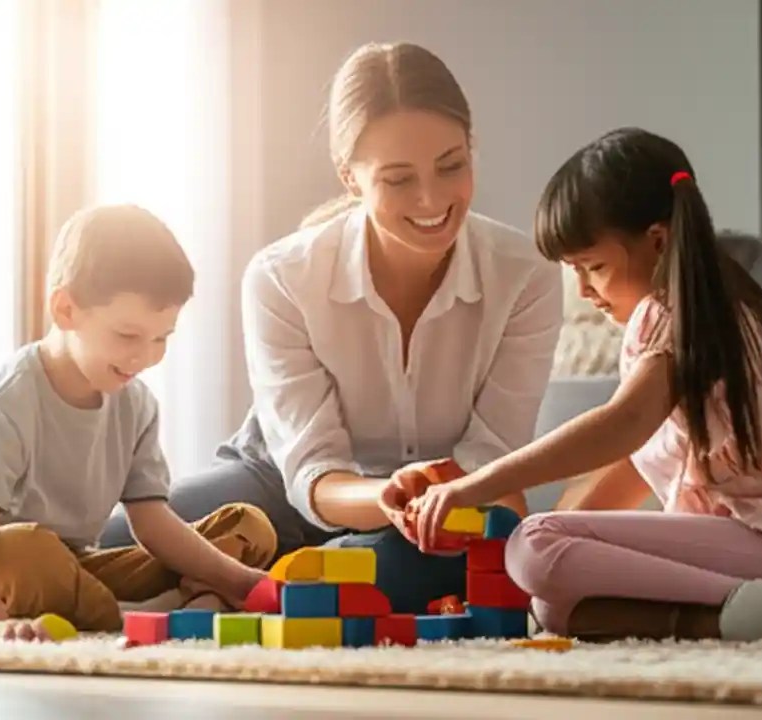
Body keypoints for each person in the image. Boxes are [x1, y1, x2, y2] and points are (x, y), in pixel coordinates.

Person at [402, 127, 762, 645]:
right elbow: (636, 460)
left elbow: (622, 425)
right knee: (551, 605)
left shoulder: (676, 315)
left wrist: (475, 487)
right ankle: (756, 616)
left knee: (535, 545)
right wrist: (553, 527)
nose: (584, 290)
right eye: (574, 271)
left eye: (593, 267)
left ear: (657, 242)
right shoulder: (707, 305)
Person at [99, 42, 563, 614]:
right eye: (398, 179)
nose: (432, 198)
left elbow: (491, 461)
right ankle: (264, 577)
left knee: (394, 567)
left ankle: (250, 581)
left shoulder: (526, 277)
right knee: (108, 547)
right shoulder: (282, 277)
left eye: (452, 165)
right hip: (277, 482)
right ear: (350, 178)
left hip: (437, 509)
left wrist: (417, 503)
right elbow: (311, 470)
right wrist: (386, 495)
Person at [0, 204, 277, 641]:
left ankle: (175, 599)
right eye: (127, 335)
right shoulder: (5, 401)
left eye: (161, 338)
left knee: (246, 526)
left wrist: (243, 581)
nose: (145, 356)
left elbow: (152, 521)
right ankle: (143, 614)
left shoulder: (136, 403)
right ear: (66, 310)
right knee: (27, 553)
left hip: (72, 564)